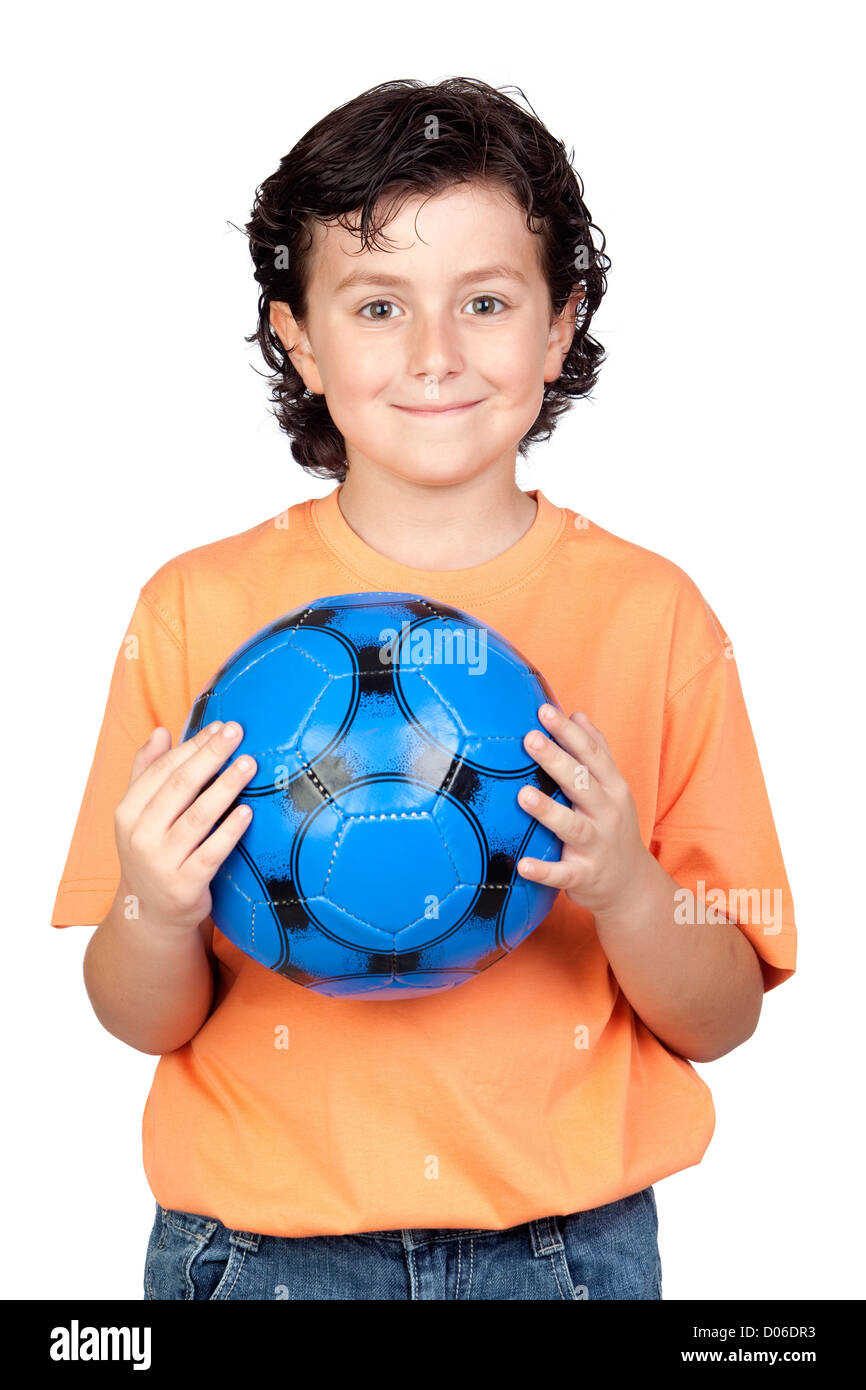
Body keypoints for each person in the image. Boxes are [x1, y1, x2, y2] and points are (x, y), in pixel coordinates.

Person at [51, 76, 797, 1301]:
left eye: (487, 302)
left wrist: (621, 883)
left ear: (559, 326)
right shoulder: (192, 610)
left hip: (566, 1253)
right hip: (257, 1254)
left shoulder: (653, 615)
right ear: (296, 335)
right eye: (379, 304)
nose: (435, 354)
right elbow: (143, 1017)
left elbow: (718, 1020)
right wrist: (155, 905)